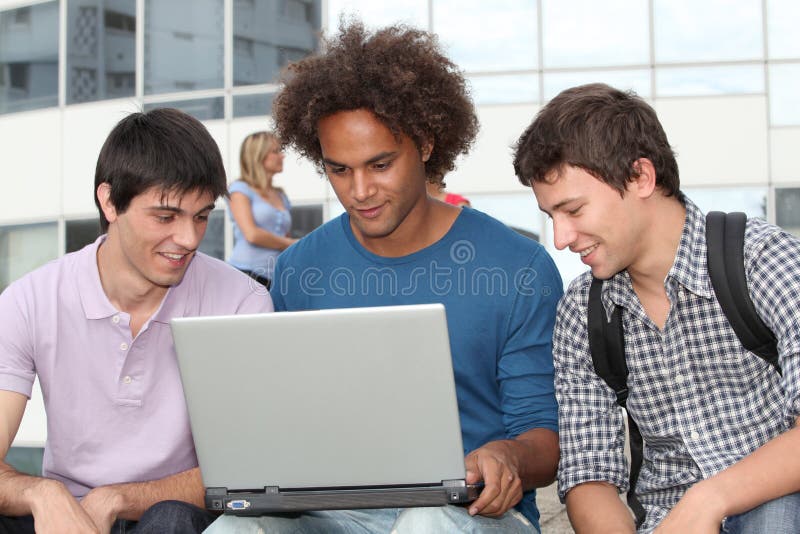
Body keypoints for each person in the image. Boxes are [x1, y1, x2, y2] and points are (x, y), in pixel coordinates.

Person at [206, 20, 562, 534]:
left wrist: (507, 455)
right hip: (330, 513)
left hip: (470, 515)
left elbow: (544, 443)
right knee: (232, 528)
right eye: (340, 169)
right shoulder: (299, 269)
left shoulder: (517, 268)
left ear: (424, 143)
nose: (360, 190)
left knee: (424, 522)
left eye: (379, 164)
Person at [513, 83, 800, 533]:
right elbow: (589, 475)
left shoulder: (761, 261)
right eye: (551, 217)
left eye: (573, 210)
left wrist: (711, 498)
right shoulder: (582, 314)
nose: (562, 239)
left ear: (641, 177)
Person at [0, 108, 273, 534]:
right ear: (109, 201)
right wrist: (43, 494)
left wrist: (117, 498)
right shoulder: (29, 300)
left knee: (173, 521)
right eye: (165, 217)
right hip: (64, 517)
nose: (188, 239)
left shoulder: (242, 303)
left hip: (174, 514)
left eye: (201, 216)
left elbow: (249, 468)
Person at [228, 131, 297, 289]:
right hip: (246, 273)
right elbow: (252, 235)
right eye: (276, 151)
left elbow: (284, 235)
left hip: (276, 277)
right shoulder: (239, 190)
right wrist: (293, 243)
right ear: (259, 155)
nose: (282, 156)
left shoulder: (281, 195)